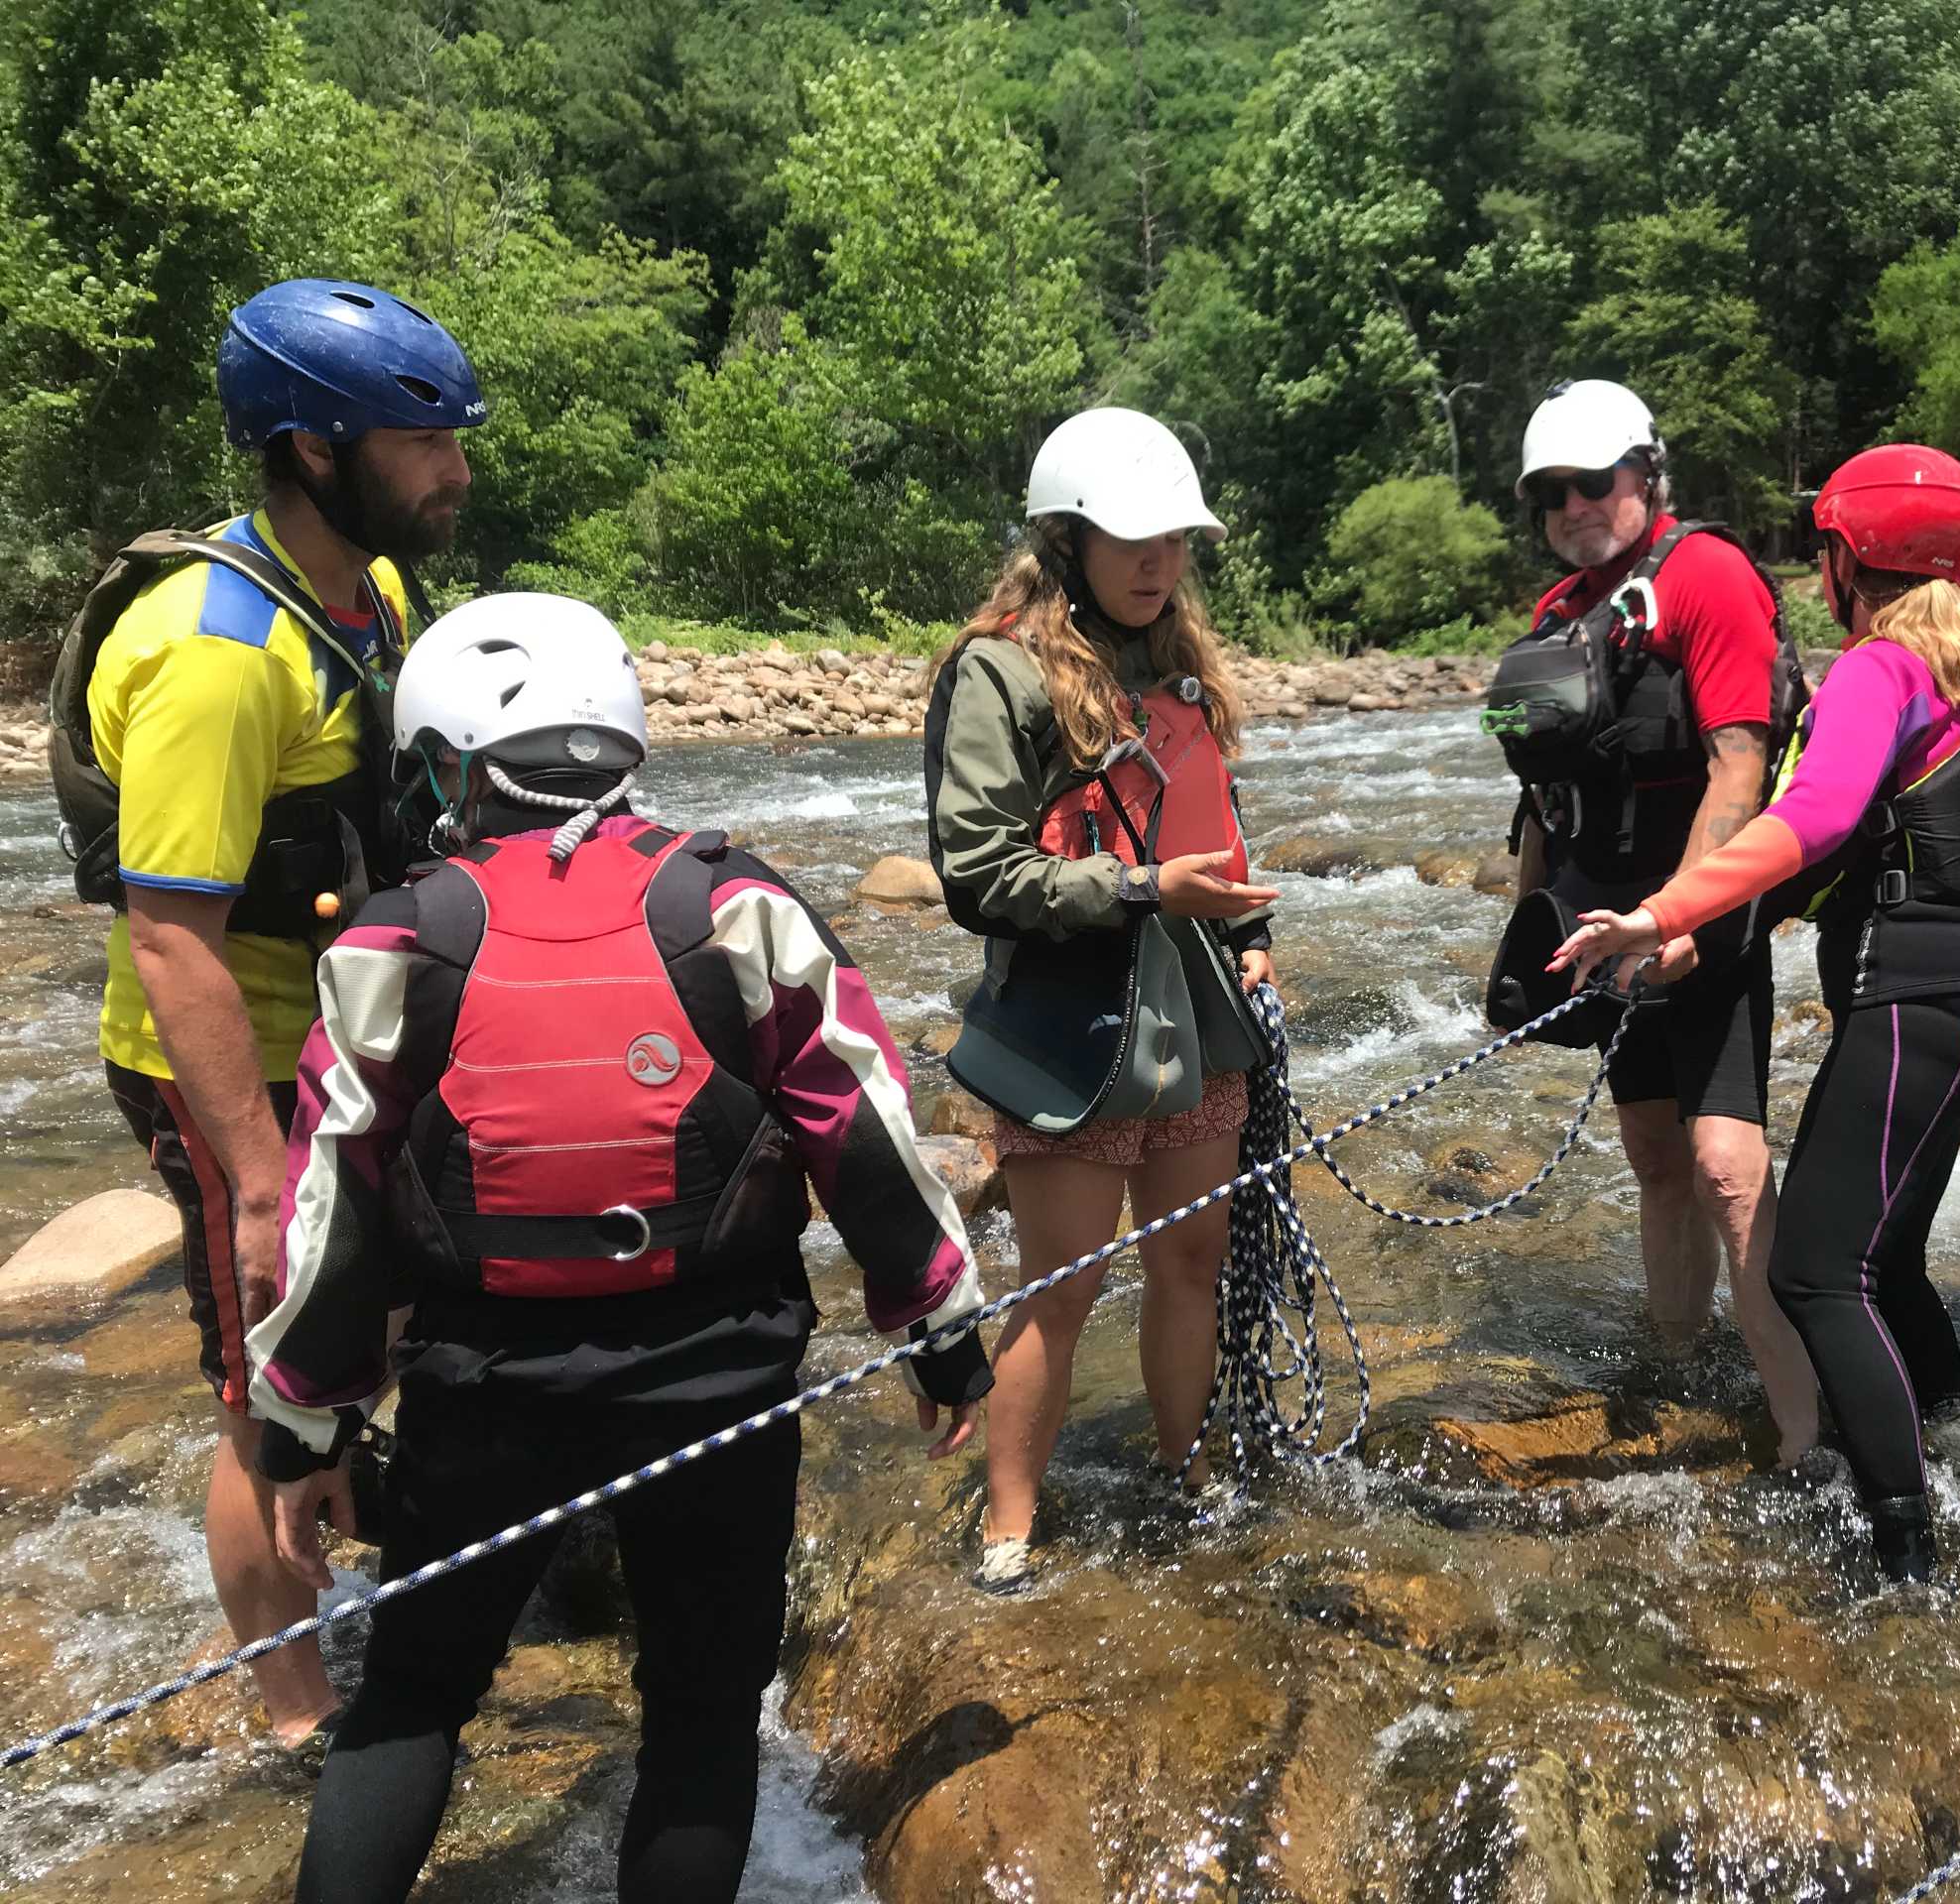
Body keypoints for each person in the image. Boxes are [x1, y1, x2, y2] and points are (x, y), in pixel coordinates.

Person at [245, 593, 988, 1902]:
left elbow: (332, 1205)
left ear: (443, 767)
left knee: (415, 1694)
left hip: (481, 1392)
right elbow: (864, 1127)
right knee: (701, 1712)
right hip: (718, 1383)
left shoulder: (394, 937)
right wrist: (941, 1333)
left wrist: (299, 1434)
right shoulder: (738, 904)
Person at [46, 278, 483, 1746]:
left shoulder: (369, 595)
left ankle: (350, 1534)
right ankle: (300, 1718)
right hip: (228, 1060)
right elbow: (170, 937)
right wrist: (252, 1179)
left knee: (382, 1320)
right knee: (270, 1385)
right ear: (311, 449)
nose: (457, 472)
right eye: (423, 445)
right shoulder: (220, 653)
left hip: (346, 1042)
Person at [1549, 445, 1960, 1581]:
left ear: (1840, 558)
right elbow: (1873, 847)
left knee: (1818, 1274)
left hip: (1913, 996)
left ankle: (1904, 1554)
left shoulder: (1882, 668)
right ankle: (1945, 1439)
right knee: (1891, 1260)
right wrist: (1713, 928)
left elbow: (1814, 818)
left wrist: (1661, 907)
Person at [924, 407, 1278, 1594]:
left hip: (1203, 1014)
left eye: (1174, 541)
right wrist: (1139, 890)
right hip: (1066, 1028)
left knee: (1191, 1266)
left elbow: (1213, 826)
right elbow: (975, 872)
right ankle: (1008, 1529)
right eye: (1132, 540)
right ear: (1065, 537)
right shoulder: (999, 669)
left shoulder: (1180, 666)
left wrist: (1256, 935)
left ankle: (1182, 1472)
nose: (1158, 563)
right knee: (1060, 1289)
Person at [1495, 377, 1817, 1459]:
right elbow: (1541, 802)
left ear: (1646, 477)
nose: (1574, 508)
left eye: (1595, 484)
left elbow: (1740, 761)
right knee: (1652, 1156)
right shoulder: (1554, 619)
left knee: (1727, 1170)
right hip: (1600, 928)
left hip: (1699, 920)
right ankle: (1678, 1365)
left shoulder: (1707, 576)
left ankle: (1801, 1428)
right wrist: (1523, 930)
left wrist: (1677, 917)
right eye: (1552, 496)